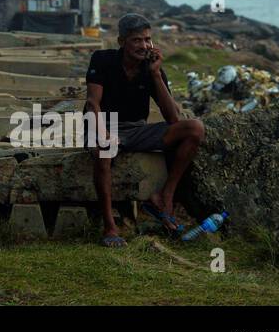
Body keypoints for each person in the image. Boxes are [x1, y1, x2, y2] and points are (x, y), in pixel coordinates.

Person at [83, 12, 206, 247]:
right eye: (137, 40)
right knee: (104, 151)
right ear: (122, 42)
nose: (144, 45)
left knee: (195, 129)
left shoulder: (152, 70)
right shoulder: (102, 59)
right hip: (103, 124)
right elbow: (92, 103)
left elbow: (173, 118)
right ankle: (110, 227)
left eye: (148, 40)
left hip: (137, 130)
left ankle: (166, 194)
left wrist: (156, 74)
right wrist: (103, 134)